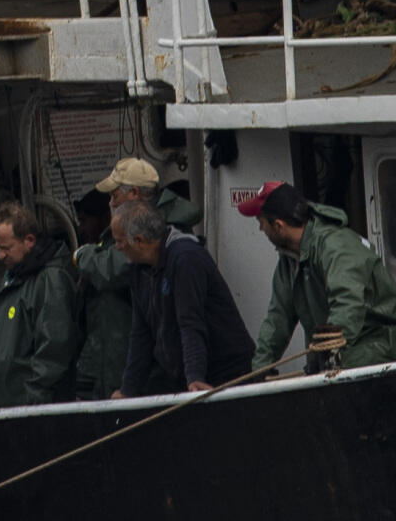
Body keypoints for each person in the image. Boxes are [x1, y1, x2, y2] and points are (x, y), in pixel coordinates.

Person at [241, 181, 396, 374]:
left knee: (334, 364)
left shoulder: (335, 246)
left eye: (261, 221)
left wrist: (328, 354)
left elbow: (347, 305)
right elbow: (278, 319)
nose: (260, 228)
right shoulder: (289, 262)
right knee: (323, 366)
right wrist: (259, 370)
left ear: (278, 226)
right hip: (357, 342)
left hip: (391, 337)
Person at [114, 200, 255, 396]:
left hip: (226, 373)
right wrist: (128, 390)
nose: (117, 247)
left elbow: (190, 322)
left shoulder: (186, 259)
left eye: (119, 241)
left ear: (139, 240)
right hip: (184, 377)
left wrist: (195, 377)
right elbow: (141, 334)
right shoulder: (139, 270)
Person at [0, 201, 81, 410]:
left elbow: (54, 347)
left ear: (29, 241)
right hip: (6, 401)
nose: (0, 255)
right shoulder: (15, 277)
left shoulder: (51, 279)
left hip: (29, 404)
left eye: (6, 248)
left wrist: (34, 400)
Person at [68, 191, 130, 400]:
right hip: (95, 373)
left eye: (85, 221)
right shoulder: (99, 253)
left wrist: (83, 256)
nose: (81, 229)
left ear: (104, 218)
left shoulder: (121, 251)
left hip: (122, 375)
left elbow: (112, 272)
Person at [96, 155, 202, 232]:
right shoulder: (151, 223)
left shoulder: (153, 231)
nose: (111, 203)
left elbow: (117, 256)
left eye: (115, 196)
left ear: (134, 193)